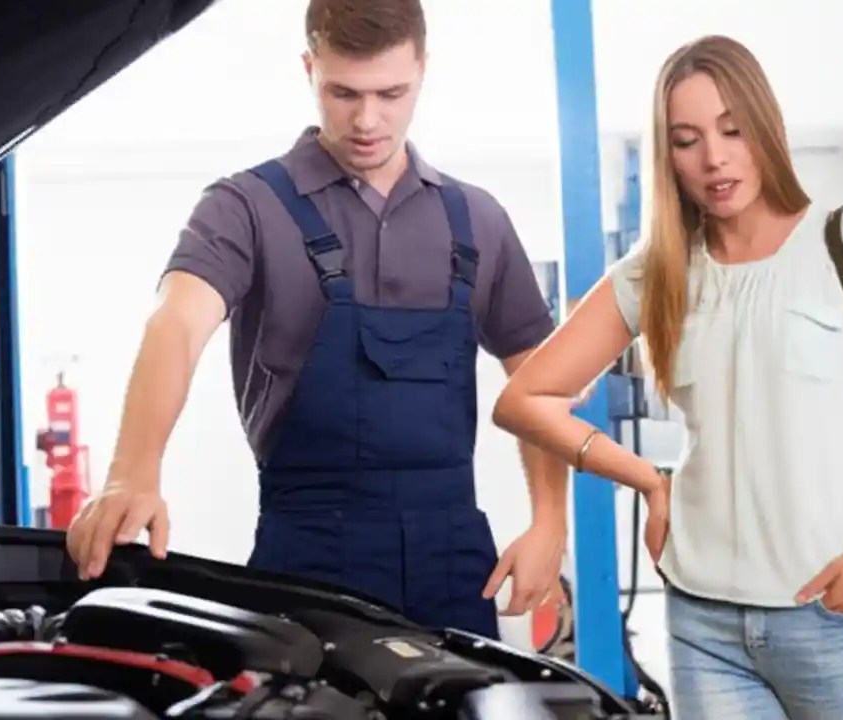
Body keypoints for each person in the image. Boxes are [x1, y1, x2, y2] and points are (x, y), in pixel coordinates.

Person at [63, 0, 569, 640]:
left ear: (423, 68)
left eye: (391, 93)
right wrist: (132, 471)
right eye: (343, 92)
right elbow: (178, 322)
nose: (368, 120)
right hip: (309, 556)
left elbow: (540, 377)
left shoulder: (477, 220)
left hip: (454, 558)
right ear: (309, 68)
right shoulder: (245, 208)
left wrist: (551, 521)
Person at [491, 35, 843, 718]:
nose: (714, 157)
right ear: (667, 154)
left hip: (837, 613)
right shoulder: (656, 273)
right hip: (704, 622)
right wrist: (646, 478)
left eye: (732, 129)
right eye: (687, 139)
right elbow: (523, 399)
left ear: (765, 126)